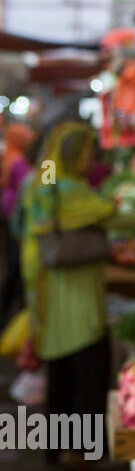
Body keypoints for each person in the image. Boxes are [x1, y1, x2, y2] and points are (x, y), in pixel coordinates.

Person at [21, 121, 114, 471]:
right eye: (90, 152)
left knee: (59, 364)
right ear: (76, 153)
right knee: (88, 361)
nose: (93, 160)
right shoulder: (72, 188)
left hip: (44, 275)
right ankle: (81, 450)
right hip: (71, 281)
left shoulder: (45, 176)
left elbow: (41, 201)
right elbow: (107, 210)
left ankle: (56, 447)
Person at [0, 121, 36, 324]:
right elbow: (32, 184)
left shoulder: (11, 155)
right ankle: (11, 316)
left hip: (13, 214)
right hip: (18, 217)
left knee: (12, 268)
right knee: (15, 268)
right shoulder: (19, 160)